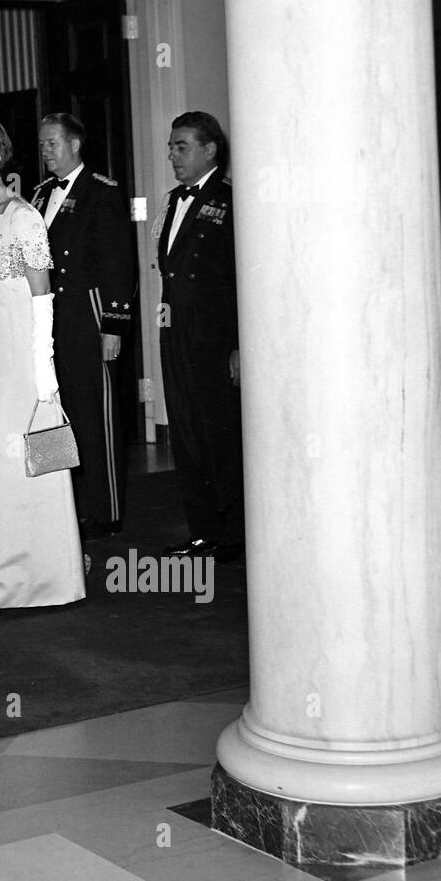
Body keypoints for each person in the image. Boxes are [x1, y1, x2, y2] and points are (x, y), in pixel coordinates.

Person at [0, 113, 86, 621]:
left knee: (22, 466)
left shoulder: (24, 216)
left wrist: (44, 369)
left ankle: (14, 587)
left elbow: (41, 295)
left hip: (17, 357)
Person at [32, 112, 136, 538]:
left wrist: (114, 324)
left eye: (52, 143)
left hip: (86, 317)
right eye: (42, 144)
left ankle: (105, 509)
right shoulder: (39, 196)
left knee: (96, 416)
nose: (45, 151)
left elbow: (118, 261)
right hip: (48, 320)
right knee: (54, 413)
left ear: (75, 144)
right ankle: (62, 506)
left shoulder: (102, 192)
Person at [156, 110, 244, 562]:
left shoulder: (232, 203)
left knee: (220, 433)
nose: (172, 154)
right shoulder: (173, 201)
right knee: (187, 435)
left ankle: (235, 534)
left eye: (182, 146)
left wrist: (239, 345)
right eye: (171, 146)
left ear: (210, 150)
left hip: (216, 338)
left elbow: (242, 279)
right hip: (177, 335)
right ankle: (204, 530)